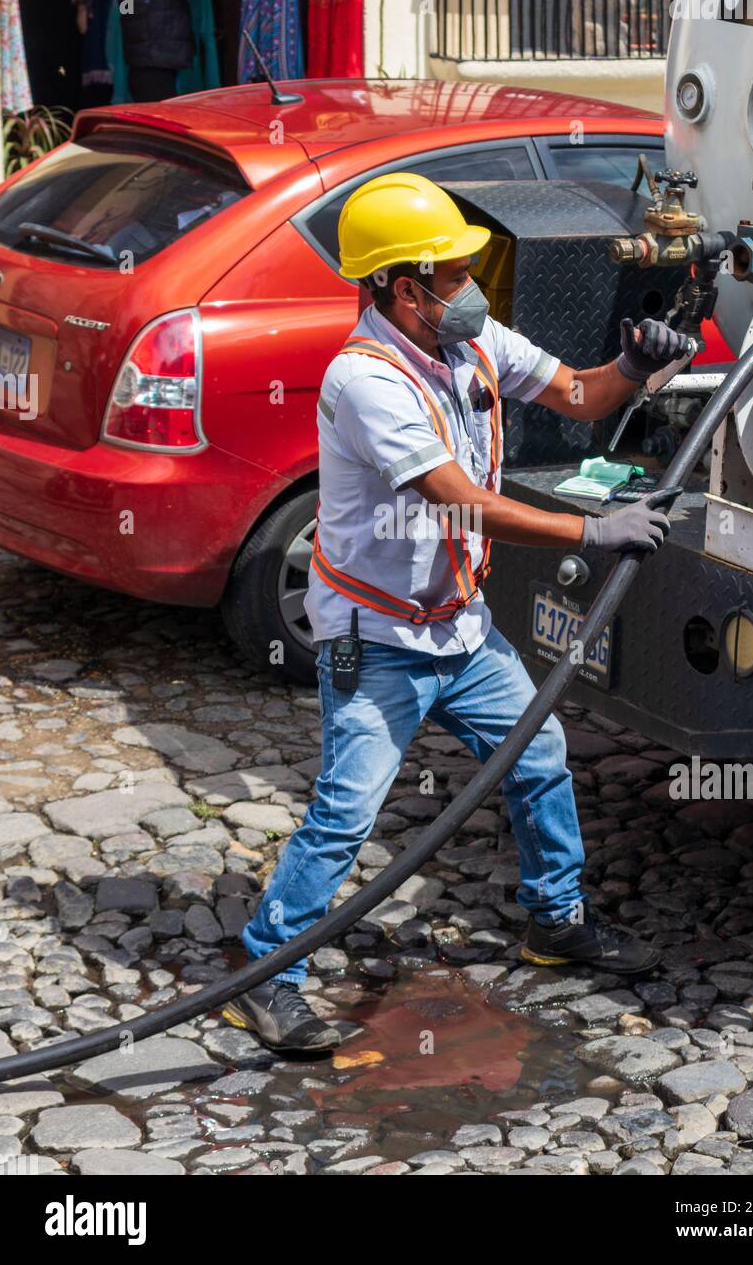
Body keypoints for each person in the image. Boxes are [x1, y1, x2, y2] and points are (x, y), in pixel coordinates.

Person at [223, 173, 693, 1053]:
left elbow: (579, 395)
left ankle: (554, 920)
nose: (470, 286)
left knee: (538, 756)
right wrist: (591, 532)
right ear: (404, 288)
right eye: (452, 273)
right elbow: (454, 498)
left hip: (460, 626)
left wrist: (634, 366)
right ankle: (266, 973)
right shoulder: (365, 380)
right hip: (376, 638)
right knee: (348, 809)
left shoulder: (471, 344)